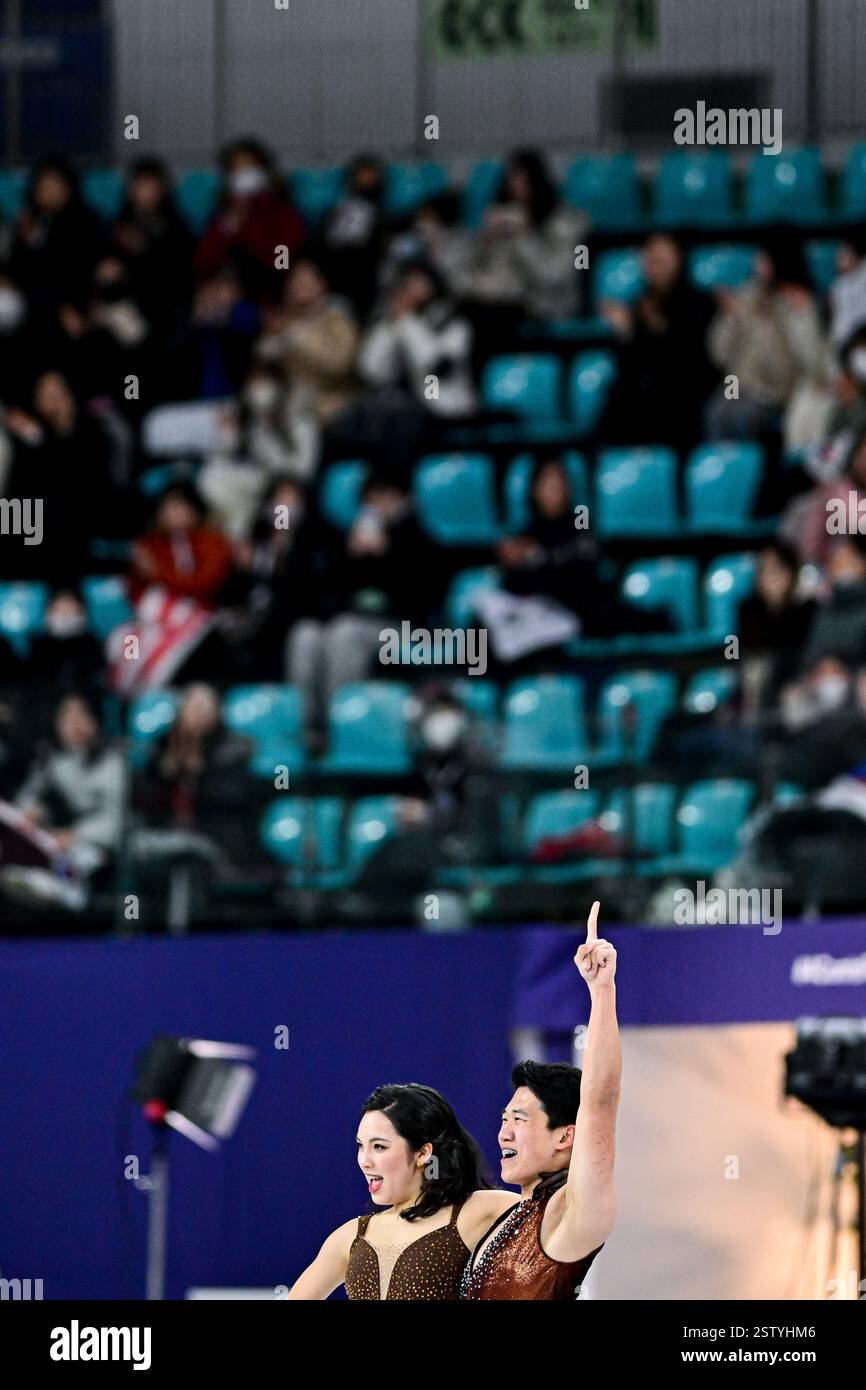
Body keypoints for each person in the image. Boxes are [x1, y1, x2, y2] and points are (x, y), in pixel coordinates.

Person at [461, 902, 619, 1300]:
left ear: (565, 1137)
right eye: (504, 1119)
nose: (503, 1132)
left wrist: (601, 990)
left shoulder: (570, 1212)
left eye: (519, 1119)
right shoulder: (505, 1218)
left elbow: (599, 1103)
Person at [286, 1083, 518, 1300]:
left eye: (379, 1147)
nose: (364, 1161)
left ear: (423, 1153)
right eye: (360, 1146)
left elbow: (549, 1208)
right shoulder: (350, 1237)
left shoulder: (478, 1210)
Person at [1, 693, 124, 912]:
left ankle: (68, 886)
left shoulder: (110, 760)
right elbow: (26, 800)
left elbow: (114, 819)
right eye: (67, 716)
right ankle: (45, 882)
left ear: (94, 722)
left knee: (80, 858)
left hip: (94, 847)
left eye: (81, 714)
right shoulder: (49, 761)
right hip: (50, 842)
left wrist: (76, 834)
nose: (74, 723)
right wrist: (35, 811)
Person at [598, 233, 716, 449]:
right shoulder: (637, 305)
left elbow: (694, 359)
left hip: (686, 393)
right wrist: (626, 334)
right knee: (616, 398)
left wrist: (658, 331)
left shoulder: (701, 303)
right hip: (644, 394)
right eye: (650, 261)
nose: (655, 267)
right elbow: (629, 366)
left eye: (661, 260)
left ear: (678, 260)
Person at [194, 137, 306, 303]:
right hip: (228, 298)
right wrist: (229, 227)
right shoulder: (224, 215)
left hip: (272, 294)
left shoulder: (283, 213)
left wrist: (250, 223)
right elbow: (203, 261)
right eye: (237, 169)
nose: (243, 174)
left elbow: (281, 262)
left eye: (249, 167)